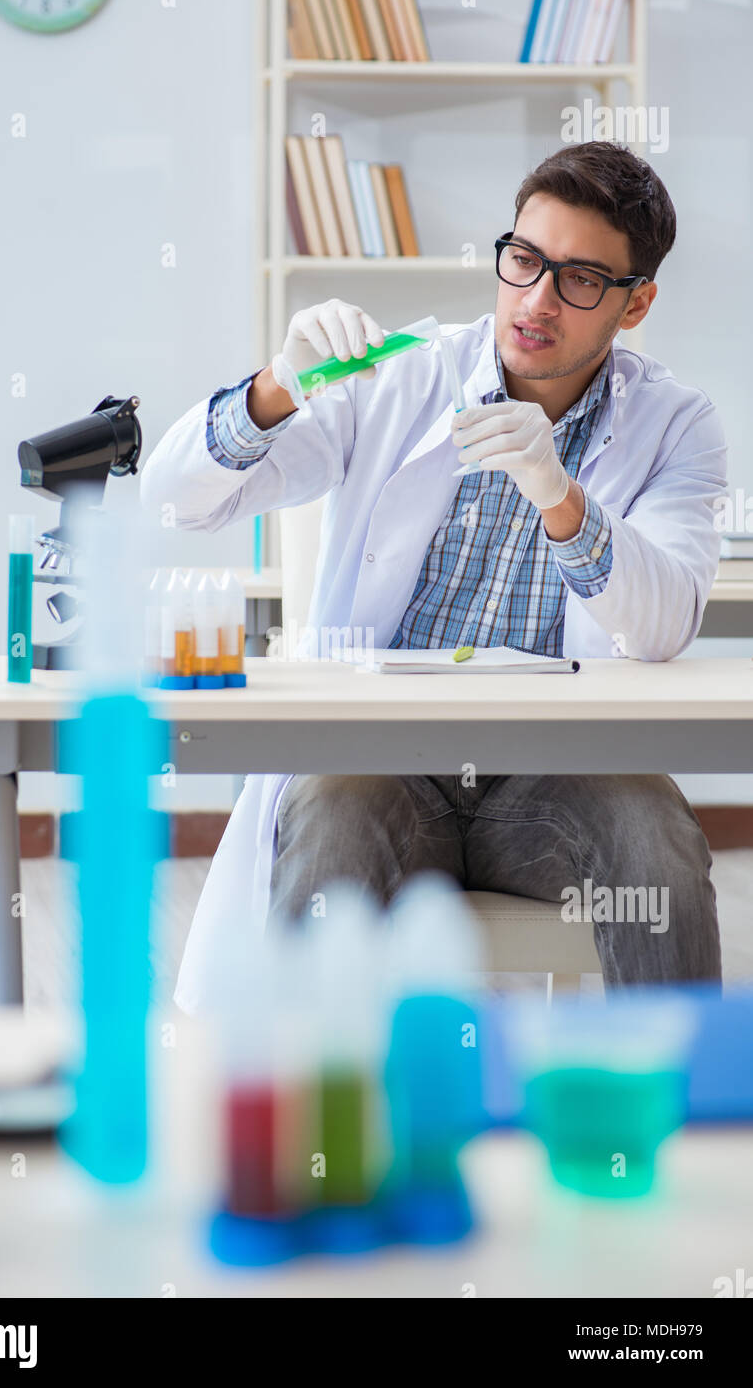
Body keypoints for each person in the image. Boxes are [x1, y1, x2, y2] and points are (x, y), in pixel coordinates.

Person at [140, 140, 727, 1013]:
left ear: (634, 303)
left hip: (556, 779)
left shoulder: (679, 426)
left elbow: (662, 623)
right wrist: (275, 386)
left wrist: (562, 499)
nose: (534, 301)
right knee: (332, 810)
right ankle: (316, 1135)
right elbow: (178, 500)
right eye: (523, 260)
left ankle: (679, 1122)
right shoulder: (401, 375)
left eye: (578, 280)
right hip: (384, 762)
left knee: (655, 836)